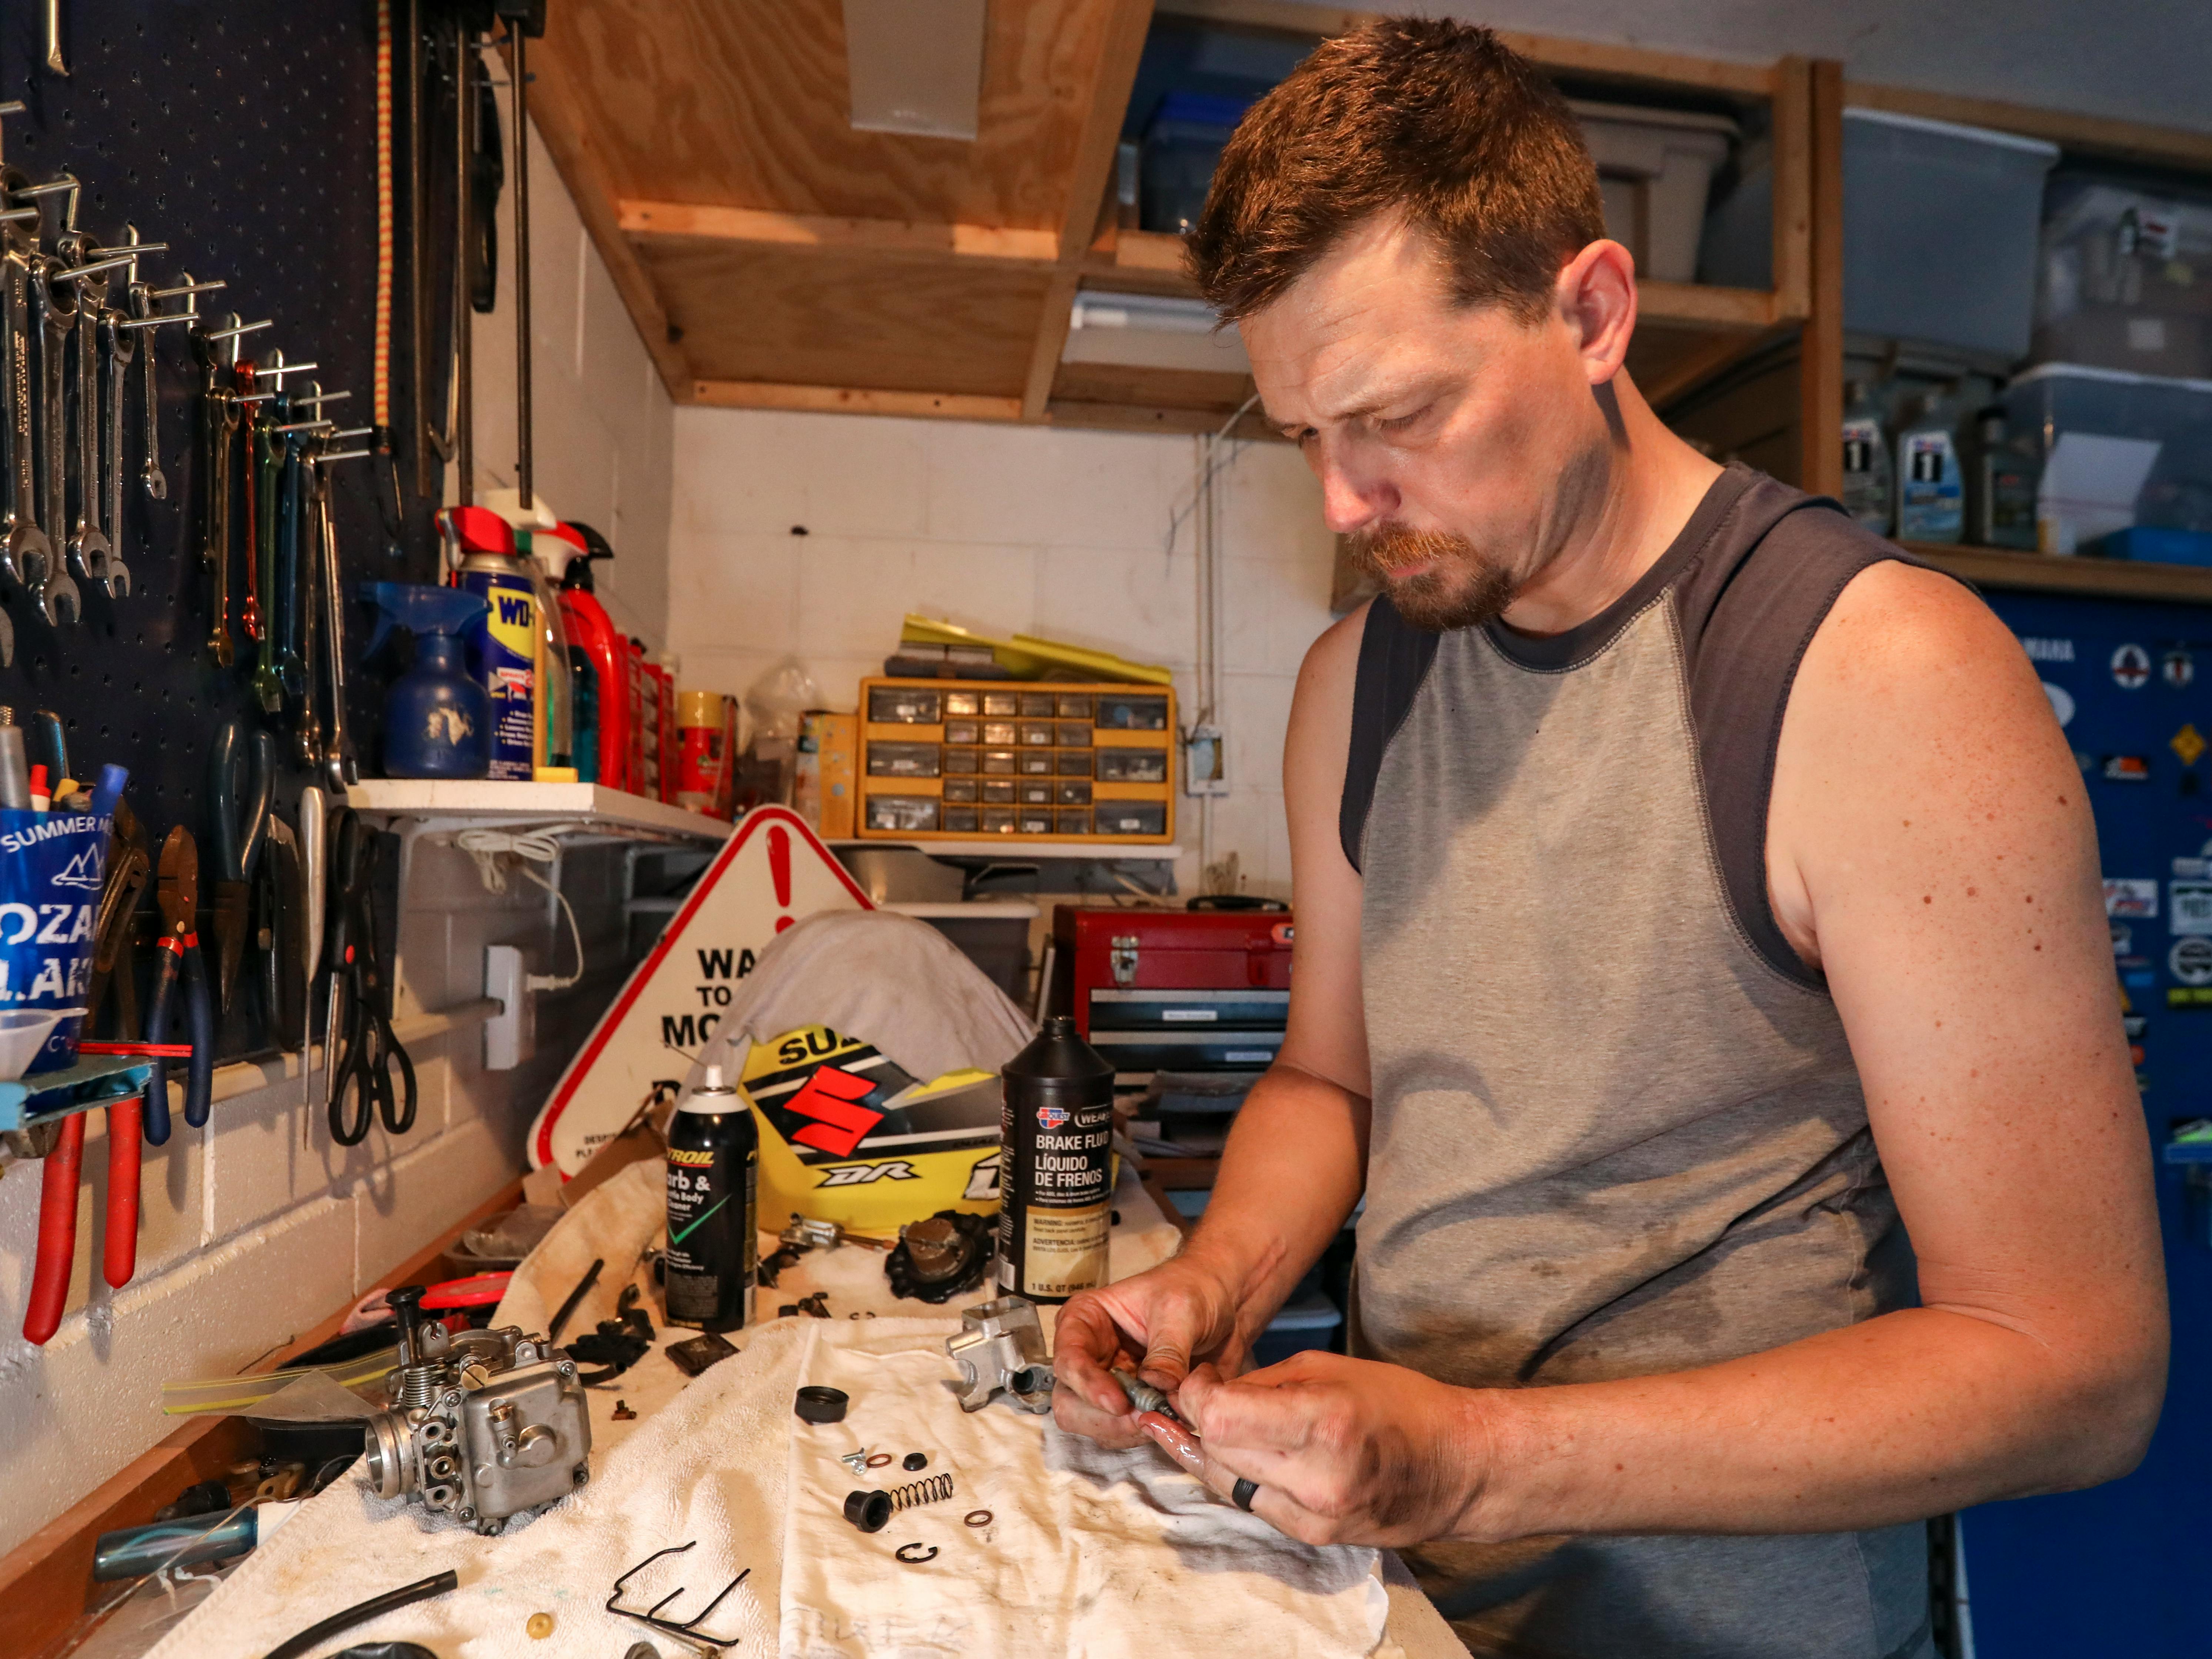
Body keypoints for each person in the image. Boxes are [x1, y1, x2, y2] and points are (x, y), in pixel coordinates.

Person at [1050, 19, 2166, 1658]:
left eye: (1400, 414)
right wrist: (1210, 1283)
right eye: (1304, 435)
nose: (1347, 503)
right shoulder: (1360, 678)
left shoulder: (1875, 676)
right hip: (1400, 1602)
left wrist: (1472, 1458)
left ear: (1589, 311)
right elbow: (1332, 1082)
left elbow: (2074, 1371)